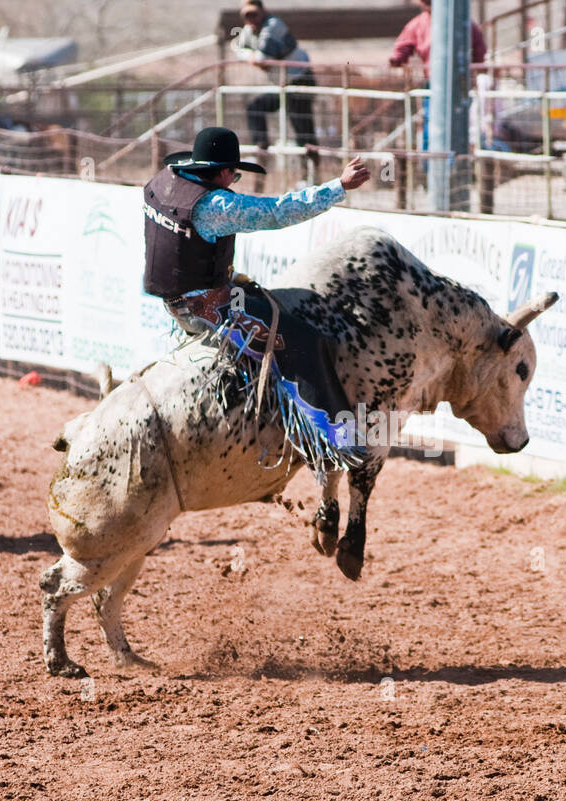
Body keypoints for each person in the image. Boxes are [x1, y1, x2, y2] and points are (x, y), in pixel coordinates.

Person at [142, 126, 371, 469]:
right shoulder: (215, 205)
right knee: (303, 341)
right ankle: (335, 440)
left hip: (177, 299)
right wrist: (338, 187)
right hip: (208, 307)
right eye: (233, 174)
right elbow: (278, 211)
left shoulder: (164, 183)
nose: (234, 179)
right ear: (220, 171)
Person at [389, 0, 487, 150]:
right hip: (436, 81)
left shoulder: (462, 23)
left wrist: (476, 67)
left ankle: (450, 160)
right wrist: (397, 58)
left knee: (455, 122)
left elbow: (479, 50)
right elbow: (402, 47)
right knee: (435, 121)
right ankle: (435, 162)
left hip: (457, 80)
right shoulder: (420, 24)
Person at [234, 1, 316, 151]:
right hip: (281, 83)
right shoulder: (249, 30)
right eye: (247, 16)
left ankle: (311, 167)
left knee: (301, 125)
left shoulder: (272, 25)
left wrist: (252, 57)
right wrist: (251, 56)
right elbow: (237, 48)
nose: (251, 19)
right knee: (255, 108)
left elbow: (263, 59)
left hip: (299, 78)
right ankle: (261, 148)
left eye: (254, 14)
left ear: (262, 11)